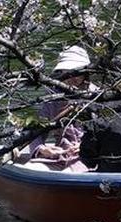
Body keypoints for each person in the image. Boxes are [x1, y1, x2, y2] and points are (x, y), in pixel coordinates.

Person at [24, 45, 94, 173]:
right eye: (68, 73)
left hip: (89, 157)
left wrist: (86, 146)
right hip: (61, 155)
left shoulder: (97, 96)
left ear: (85, 72)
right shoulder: (53, 97)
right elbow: (37, 129)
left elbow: (107, 133)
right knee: (31, 169)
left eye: (77, 73)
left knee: (73, 173)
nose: (72, 78)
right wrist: (42, 149)